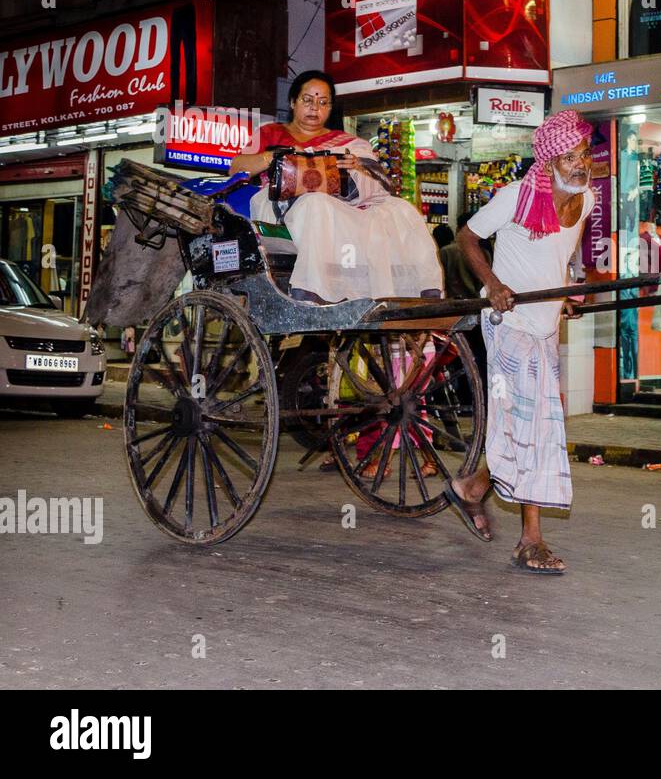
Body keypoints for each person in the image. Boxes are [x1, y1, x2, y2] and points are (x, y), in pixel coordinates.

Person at [444, 109, 595, 575]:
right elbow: (466, 236)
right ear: (549, 160)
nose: (579, 164)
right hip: (508, 326)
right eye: (569, 156)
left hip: (546, 325)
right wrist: (491, 283)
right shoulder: (515, 197)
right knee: (538, 426)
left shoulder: (586, 199)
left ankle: (471, 487)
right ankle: (530, 540)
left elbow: (564, 257)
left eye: (584, 154)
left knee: (528, 425)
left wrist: (567, 291)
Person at [230, 70, 443, 303]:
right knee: (316, 202)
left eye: (323, 102)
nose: (315, 108)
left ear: (330, 107)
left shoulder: (347, 142)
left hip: (341, 207)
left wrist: (357, 167)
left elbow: (379, 184)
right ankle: (312, 290)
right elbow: (236, 169)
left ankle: (423, 289)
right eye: (308, 100)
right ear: (293, 102)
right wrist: (274, 156)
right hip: (280, 206)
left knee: (400, 209)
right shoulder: (270, 133)